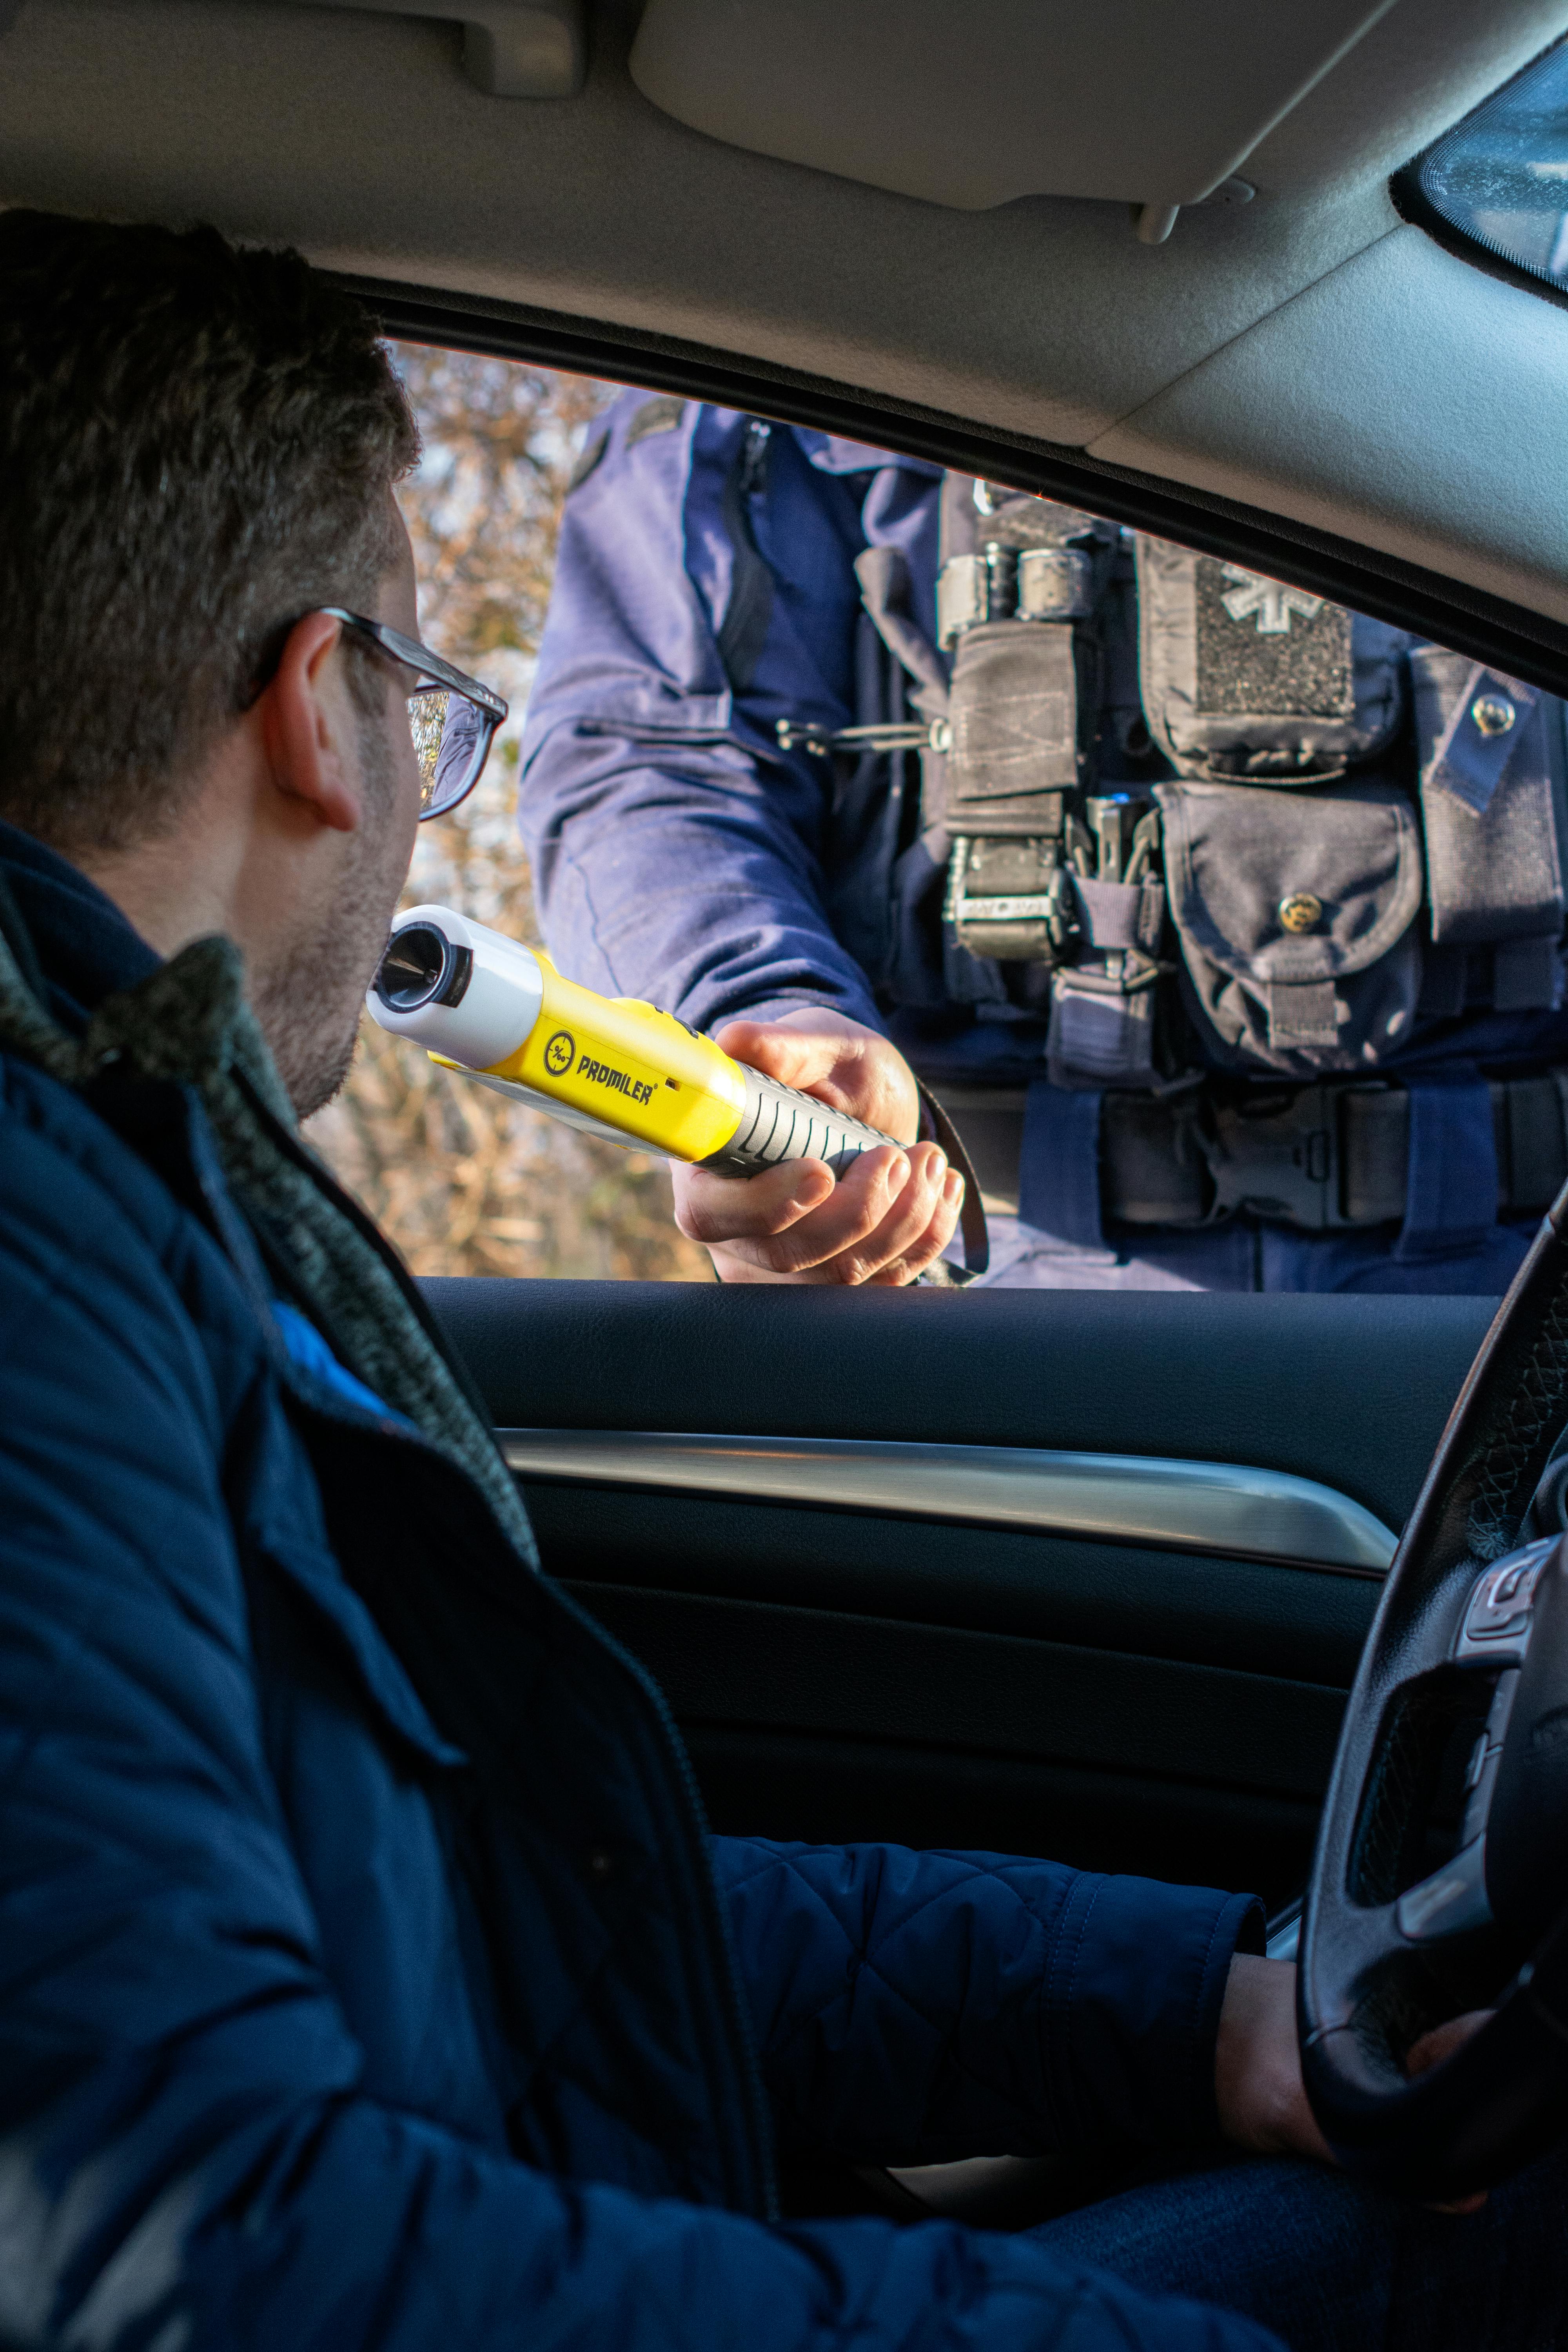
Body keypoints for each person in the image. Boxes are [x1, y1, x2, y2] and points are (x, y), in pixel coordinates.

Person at [0, 207, 1561, 2352]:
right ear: (319, 717)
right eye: (433, 707)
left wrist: (1203, 2019)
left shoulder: (112, 1191)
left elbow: (525, 1921)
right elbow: (206, 2264)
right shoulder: (51, 1259)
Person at [518, 403, 1568, 1293]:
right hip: (994, 1273)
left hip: (1520, 1275)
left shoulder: (1501, 315)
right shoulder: (780, 335)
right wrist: (773, 1036)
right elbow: (655, 767)